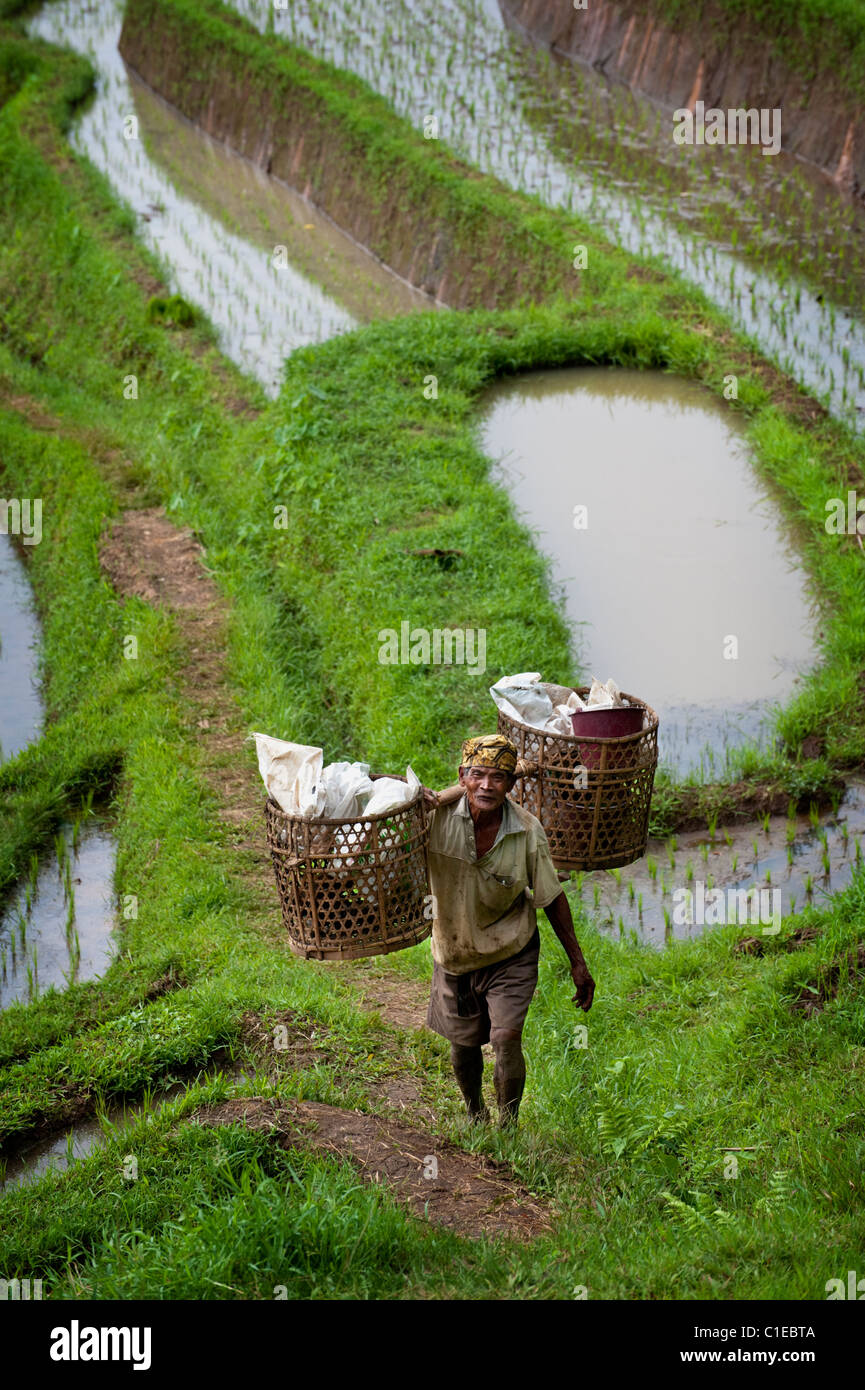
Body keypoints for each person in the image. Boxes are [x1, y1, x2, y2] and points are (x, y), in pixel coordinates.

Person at [422, 733, 595, 1128]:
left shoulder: (526, 831)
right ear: (462, 776)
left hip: (511, 952)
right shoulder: (435, 819)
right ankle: (474, 1113)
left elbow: (551, 896)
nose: (487, 785)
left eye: (498, 777)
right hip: (455, 952)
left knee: (505, 1039)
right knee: (464, 1045)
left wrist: (578, 963)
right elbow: (385, 826)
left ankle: (508, 1127)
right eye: (477, 775)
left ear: (511, 784)